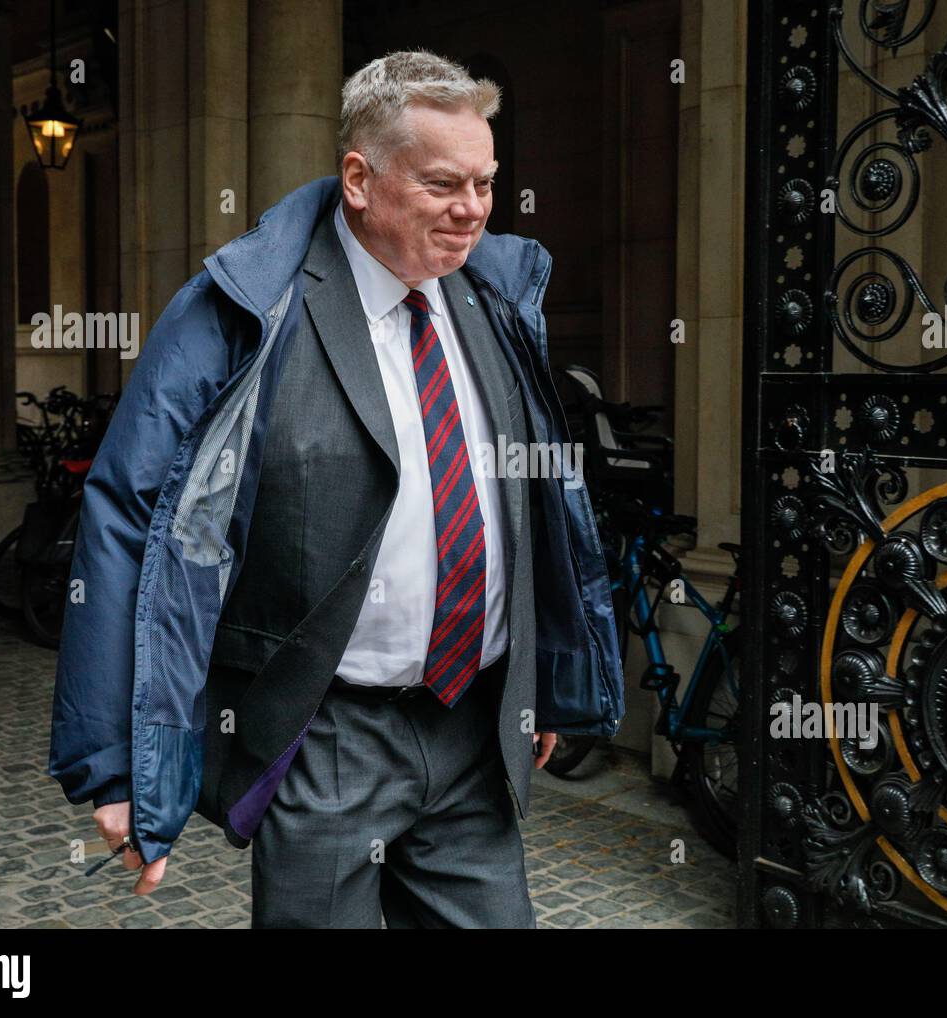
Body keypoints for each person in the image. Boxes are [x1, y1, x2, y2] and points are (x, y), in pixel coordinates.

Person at [48, 48, 623, 929]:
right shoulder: (243, 308)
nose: (472, 211)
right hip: (327, 740)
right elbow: (132, 514)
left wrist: (553, 672)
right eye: (442, 184)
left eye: (486, 182)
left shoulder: (500, 301)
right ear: (359, 177)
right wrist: (116, 759)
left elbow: (534, 506)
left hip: (477, 729)